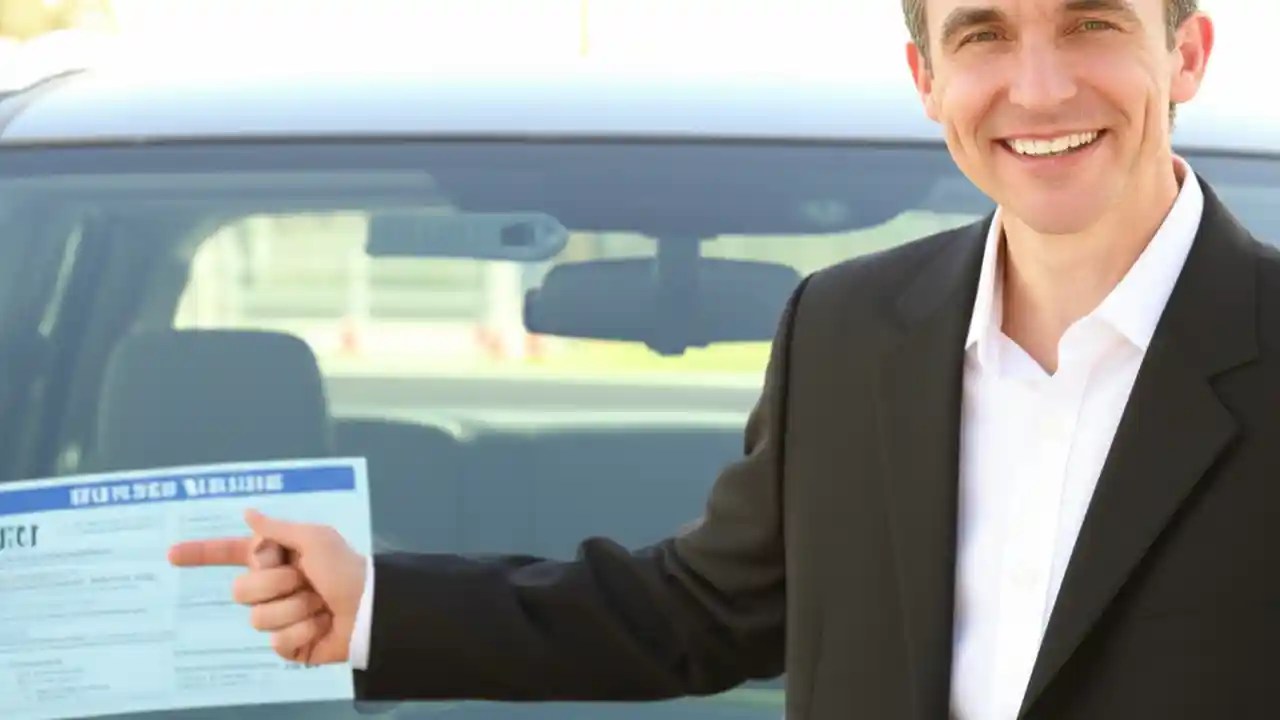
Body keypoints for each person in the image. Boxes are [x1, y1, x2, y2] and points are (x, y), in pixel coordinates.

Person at [170, 1, 1276, 717]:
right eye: (982, 34)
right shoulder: (849, 330)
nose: (1036, 90)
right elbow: (695, 614)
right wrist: (377, 610)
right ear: (924, 76)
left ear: (1183, 51)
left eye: (1089, 23)